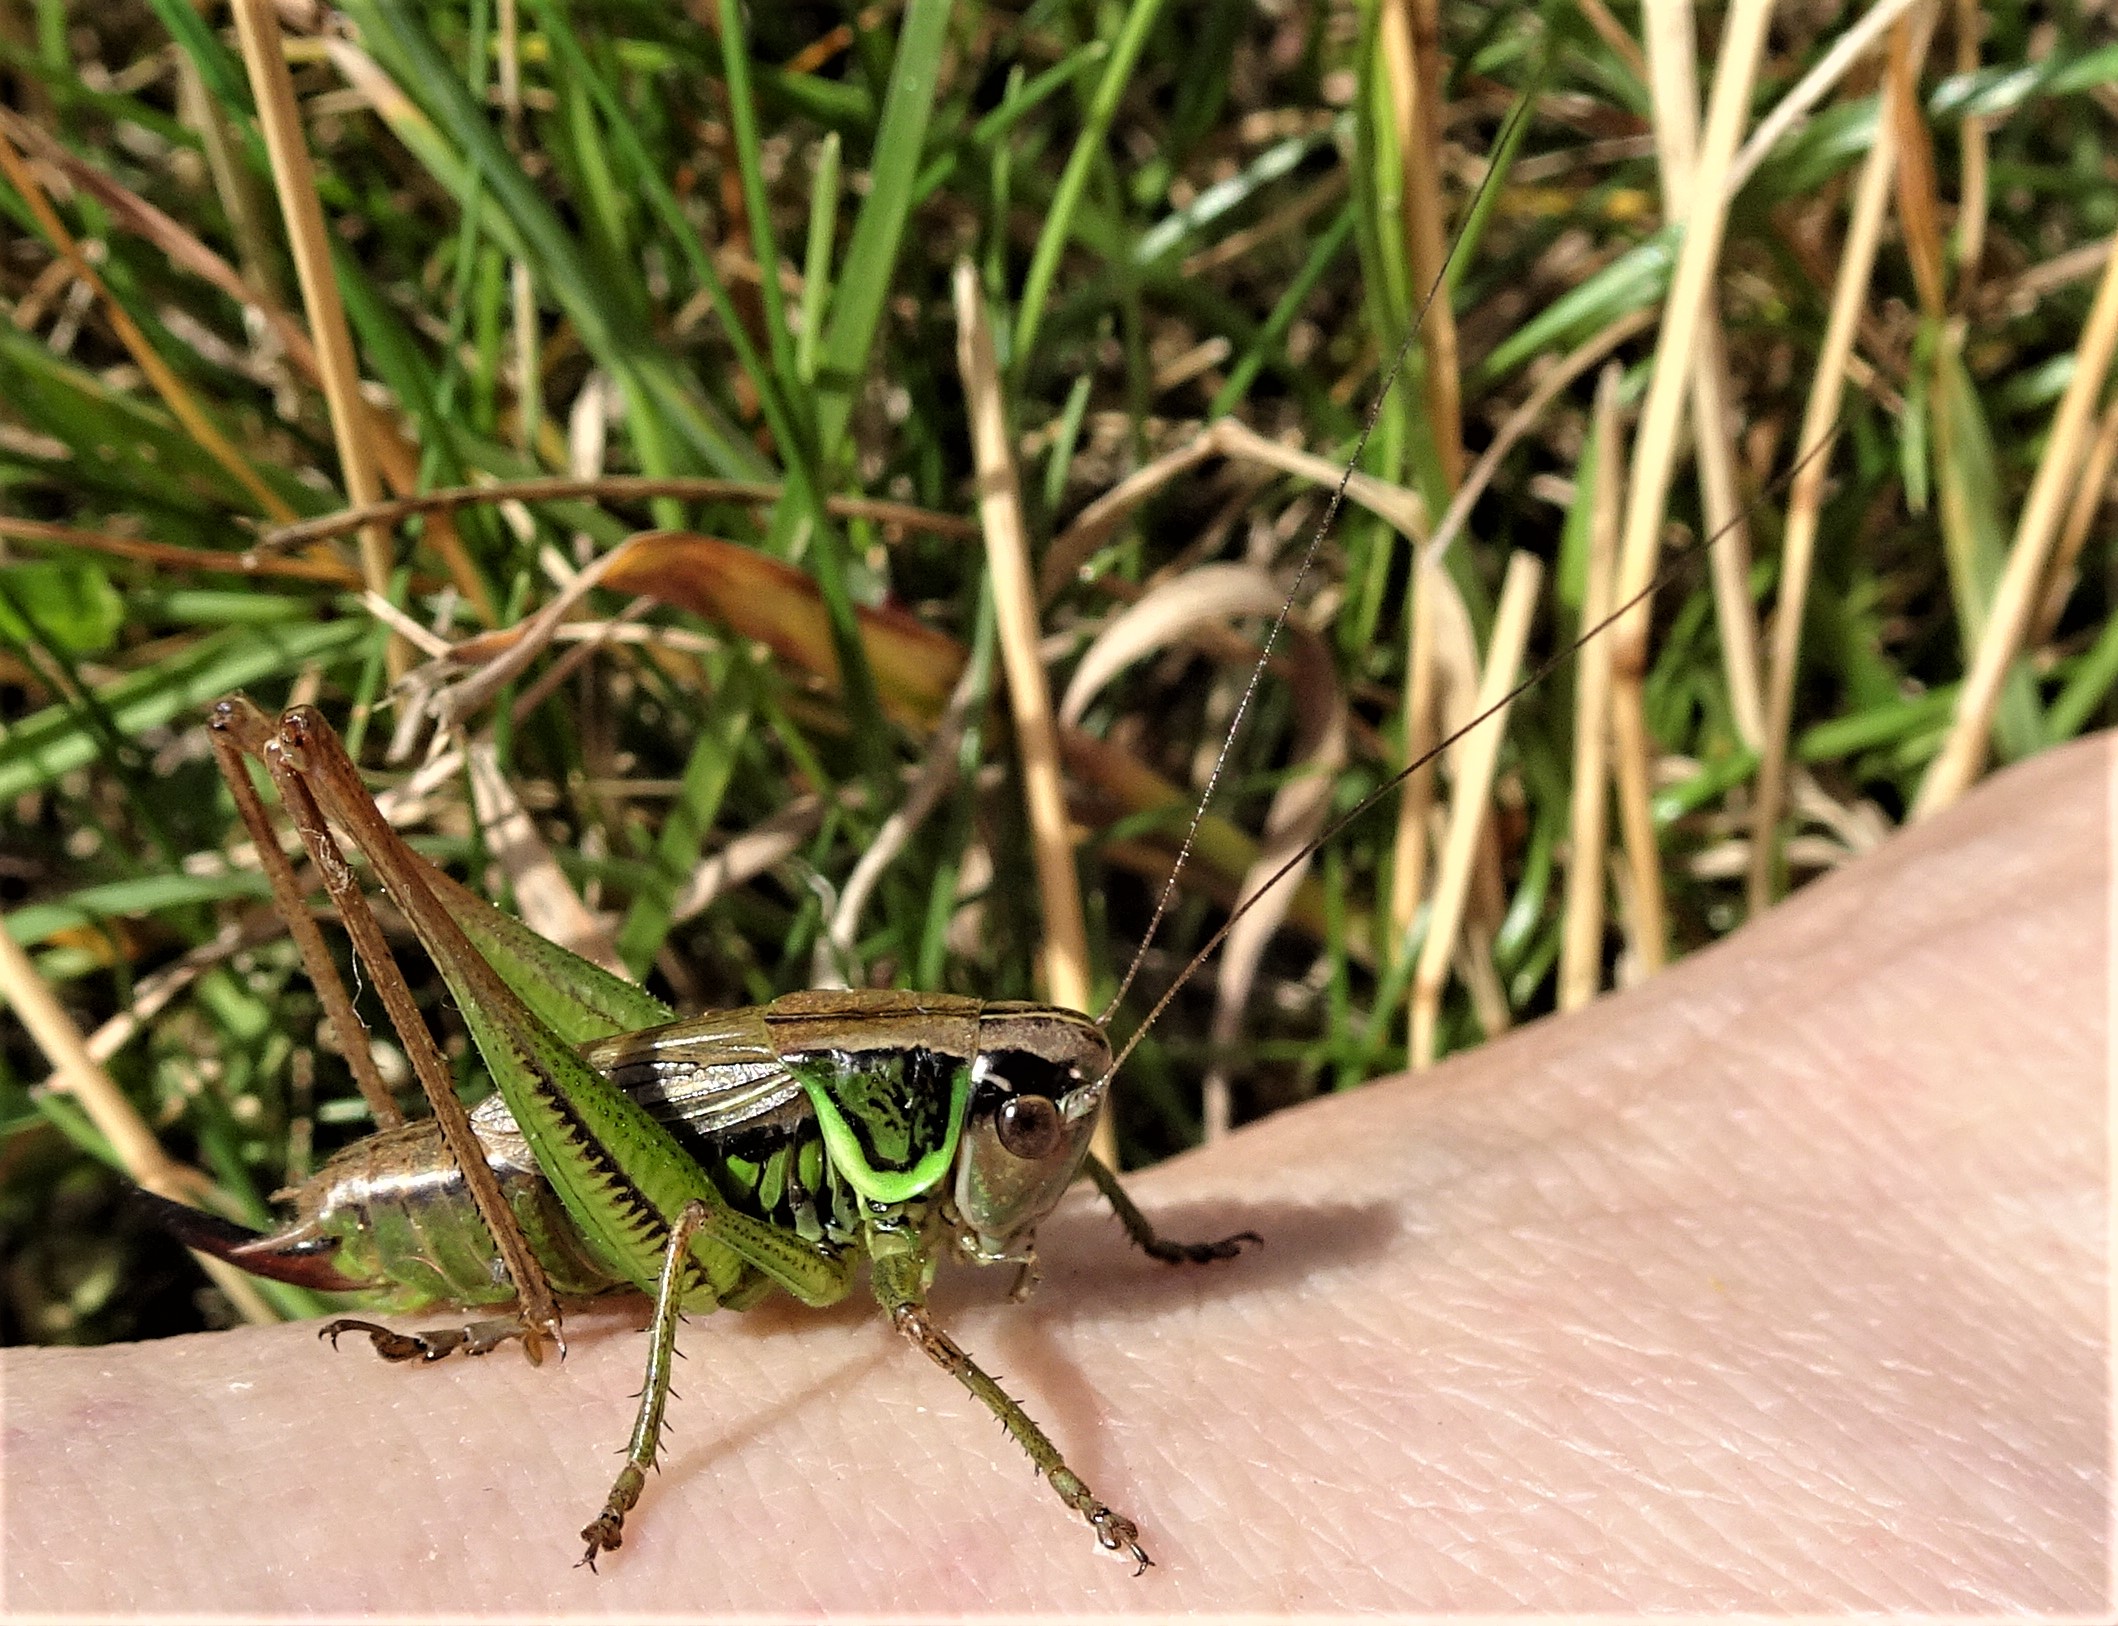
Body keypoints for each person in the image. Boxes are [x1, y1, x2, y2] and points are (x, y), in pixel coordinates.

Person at [4, 736, 2104, 1611]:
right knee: (712, 1236)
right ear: (955, 1111)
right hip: (574, 1191)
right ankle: (486, 1296)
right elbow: (754, 1273)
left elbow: (1018, 1191)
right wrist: (630, 1464)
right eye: (1031, 1122)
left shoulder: (992, 1126)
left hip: (657, 1131)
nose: (1052, 1155)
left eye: (1059, 1129)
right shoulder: (867, 1202)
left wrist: (1154, 1232)